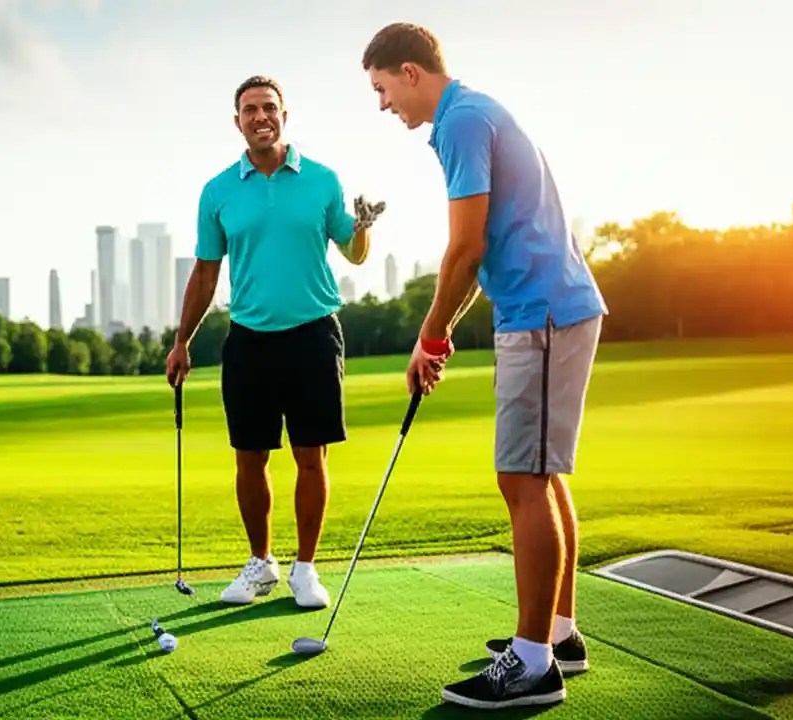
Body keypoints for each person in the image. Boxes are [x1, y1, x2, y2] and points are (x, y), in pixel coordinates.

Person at [360, 23, 607, 710]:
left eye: (382, 88)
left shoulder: (463, 123)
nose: (383, 105)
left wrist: (429, 335)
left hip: (543, 311)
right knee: (539, 475)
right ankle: (557, 634)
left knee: (522, 477)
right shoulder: (472, 113)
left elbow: (464, 249)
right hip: (542, 309)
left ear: (410, 72)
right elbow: (479, 253)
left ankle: (533, 665)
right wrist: (438, 337)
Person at [166, 75, 385, 610]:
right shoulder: (218, 191)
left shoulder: (322, 180)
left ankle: (305, 569)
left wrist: (362, 227)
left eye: (269, 108)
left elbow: (354, 253)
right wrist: (181, 341)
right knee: (249, 458)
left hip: (313, 335)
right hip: (249, 340)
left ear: (284, 116)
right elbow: (205, 273)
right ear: (237, 122)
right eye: (250, 110)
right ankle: (261, 563)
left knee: (311, 455)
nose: (260, 117)